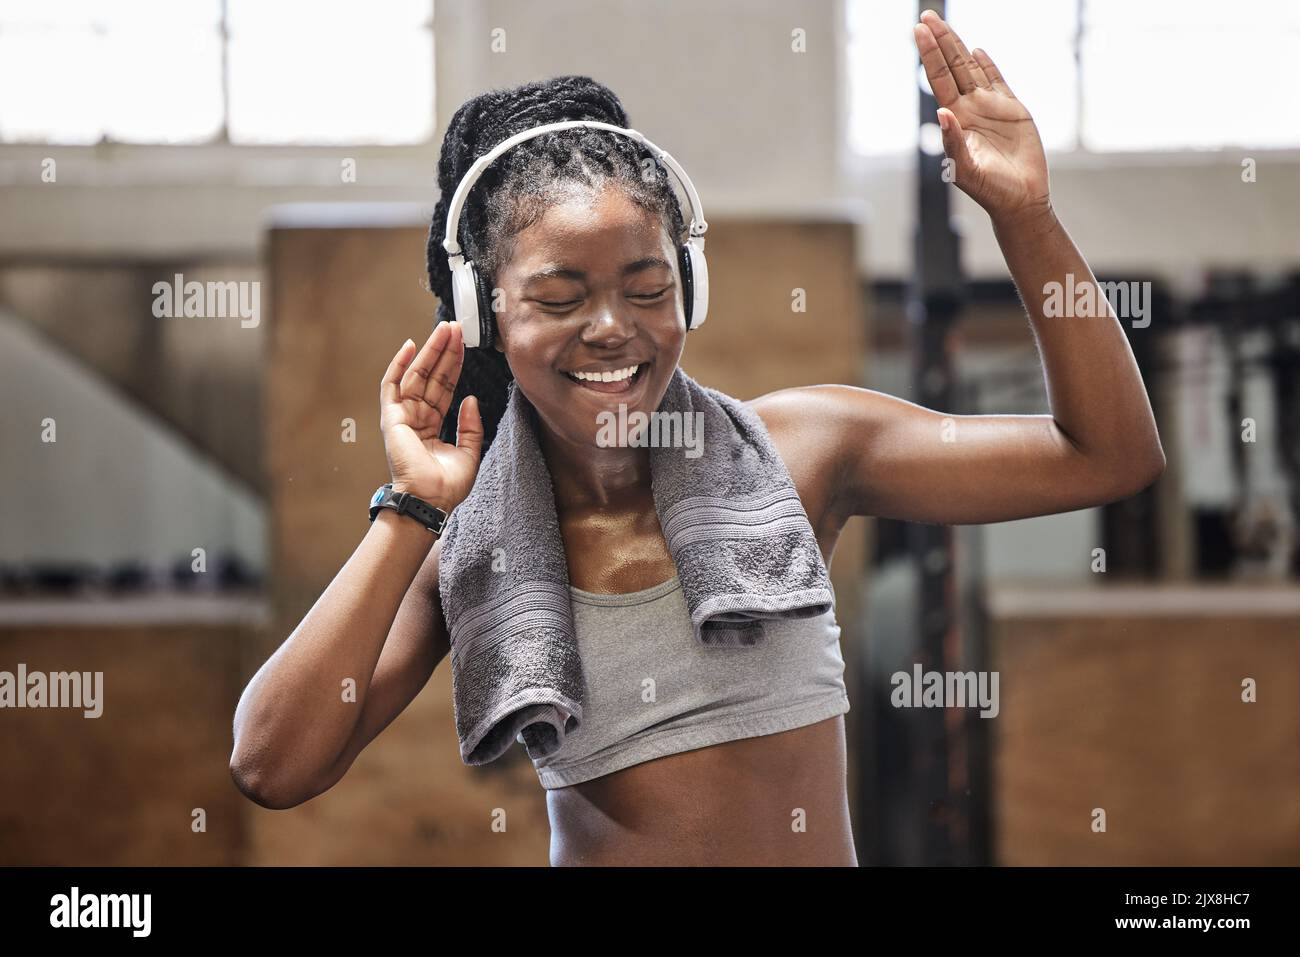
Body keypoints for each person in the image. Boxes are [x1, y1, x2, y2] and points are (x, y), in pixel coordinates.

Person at [230, 12, 1165, 866]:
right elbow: (273, 765)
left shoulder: (806, 451)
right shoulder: (478, 545)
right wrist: (413, 513)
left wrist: (1027, 220)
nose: (611, 328)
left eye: (648, 289)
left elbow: (1109, 454)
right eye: (559, 299)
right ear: (485, 315)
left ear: (691, 288)